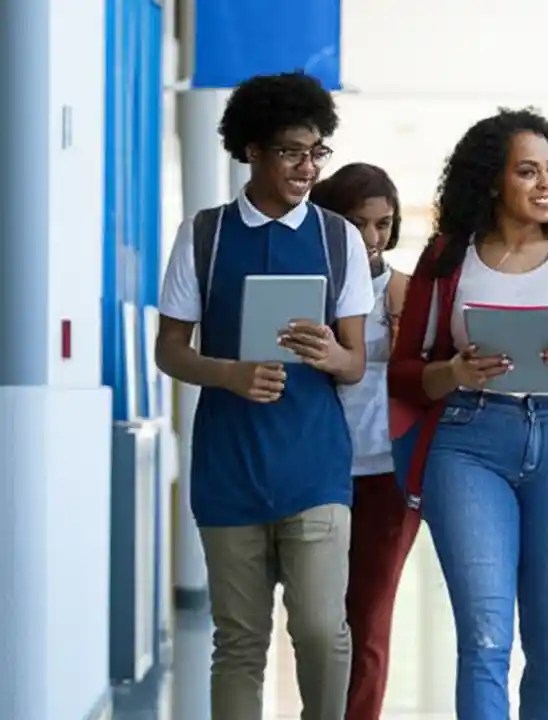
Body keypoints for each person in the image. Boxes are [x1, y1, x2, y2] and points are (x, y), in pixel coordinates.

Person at [387, 108, 548, 719]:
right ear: (493, 182)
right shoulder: (449, 257)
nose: (545, 184)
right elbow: (403, 372)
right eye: (527, 172)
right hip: (467, 444)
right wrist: (453, 372)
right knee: (484, 639)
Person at [154, 71, 374, 720]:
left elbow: (356, 361)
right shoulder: (205, 235)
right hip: (229, 470)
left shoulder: (339, 240)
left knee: (320, 632)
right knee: (240, 642)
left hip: (315, 469)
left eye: (317, 152)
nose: (308, 167)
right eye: (290, 152)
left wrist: (332, 355)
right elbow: (169, 349)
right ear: (251, 150)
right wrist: (228, 374)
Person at [310, 162, 417, 720]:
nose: (373, 239)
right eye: (358, 224)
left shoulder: (406, 293)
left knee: (369, 618)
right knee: (318, 619)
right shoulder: (312, 291)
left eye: (384, 224)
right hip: (318, 468)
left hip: (387, 474)